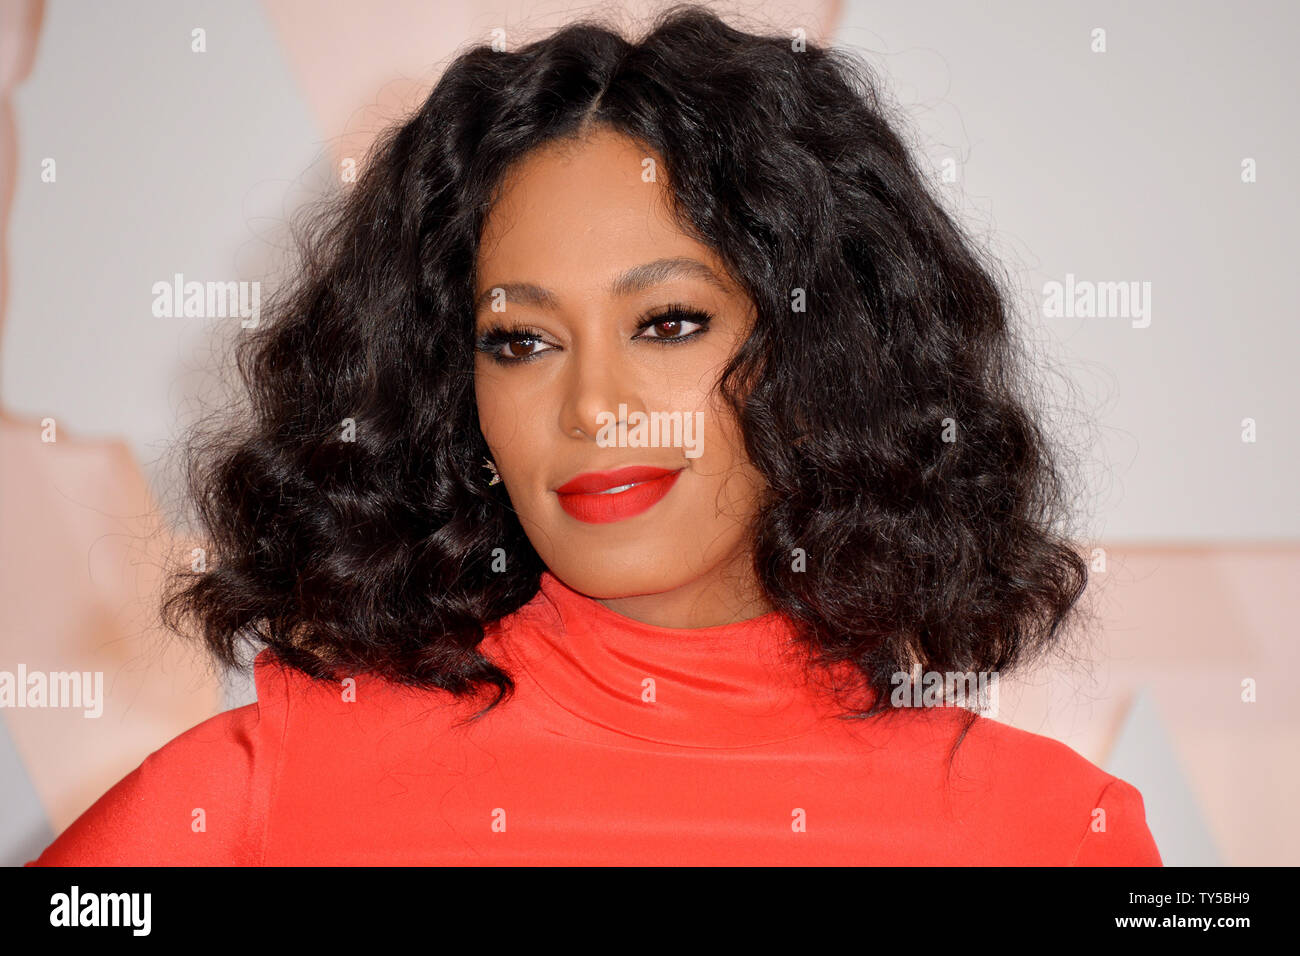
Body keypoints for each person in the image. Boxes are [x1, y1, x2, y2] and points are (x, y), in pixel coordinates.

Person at [28, 5, 1160, 866]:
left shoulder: (1049, 834)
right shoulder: (274, 790)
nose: (591, 408)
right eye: (520, 340)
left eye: (668, 323)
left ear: (826, 350)